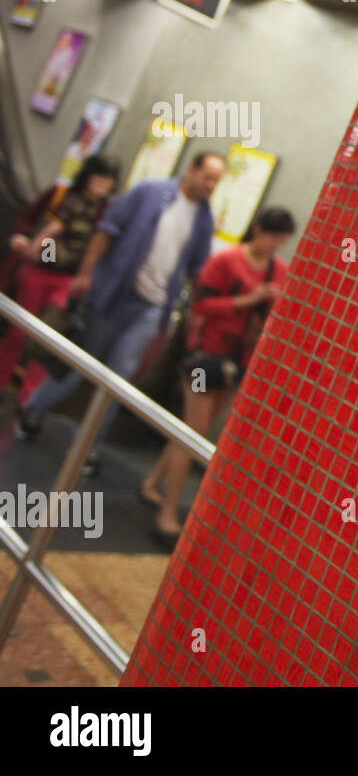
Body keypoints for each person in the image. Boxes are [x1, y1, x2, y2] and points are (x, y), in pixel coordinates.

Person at [17, 151, 226, 476]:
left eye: (217, 180)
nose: (211, 185)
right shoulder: (151, 192)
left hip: (152, 306)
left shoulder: (203, 219)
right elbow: (106, 231)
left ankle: (87, 445)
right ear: (192, 170)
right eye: (208, 176)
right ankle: (35, 409)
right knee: (82, 363)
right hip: (115, 294)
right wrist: (86, 275)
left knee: (119, 378)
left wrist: (194, 312)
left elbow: (195, 269)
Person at [140, 207, 294, 547]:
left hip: (237, 361)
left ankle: (152, 482)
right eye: (272, 236)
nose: (274, 244)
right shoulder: (225, 261)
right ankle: (168, 512)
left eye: (281, 240)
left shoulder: (278, 270)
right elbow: (202, 307)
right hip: (202, 359)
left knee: (195, 427)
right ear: (257, 229)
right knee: (192, 432)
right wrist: (247, 299)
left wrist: (271, 303)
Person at [0, 155, 120, 401]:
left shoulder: (104, 211)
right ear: (87, 176)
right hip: (39, 267)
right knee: (18, 330)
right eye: (99, 178)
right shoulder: (61, 194)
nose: (102, 185)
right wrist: (22, 236)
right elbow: (29, 216)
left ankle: (28, 396)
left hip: (67, 277)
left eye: (108, 180)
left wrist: (87, 276)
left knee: (48, 336)